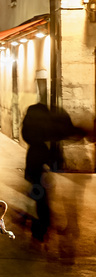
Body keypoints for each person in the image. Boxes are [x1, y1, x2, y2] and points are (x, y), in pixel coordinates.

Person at [21, 103, 88, 241]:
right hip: (44, 161)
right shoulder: (51, 118)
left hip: (38, 161)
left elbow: (26, 135)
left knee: (38, 193)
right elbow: (68, 132)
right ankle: (40, 226)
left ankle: (38, 225)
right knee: (40, 194)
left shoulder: (36, 115)